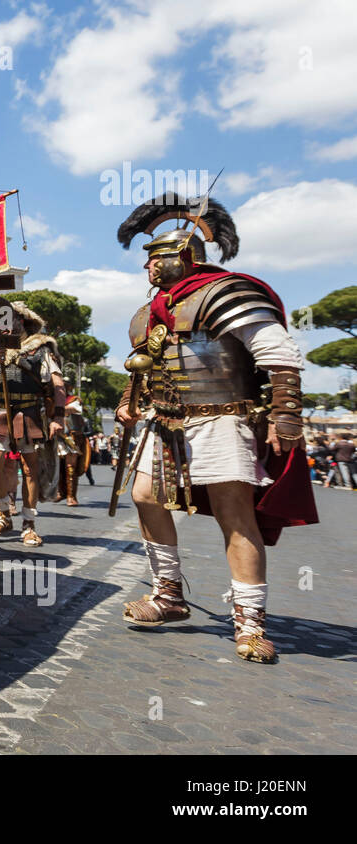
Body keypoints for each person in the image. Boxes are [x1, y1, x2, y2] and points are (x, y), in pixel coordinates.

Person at [114, 193, 317, 663]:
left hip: (222, 417)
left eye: (156, 258)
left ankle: (249, 623)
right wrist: (130, 401)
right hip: (163, 422)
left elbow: (279, 353)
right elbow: (142, 368)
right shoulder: (149, 313)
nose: (148, 268)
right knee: (144, 496)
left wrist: (285, 412)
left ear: (185, 255)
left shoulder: (226, 293)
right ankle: (168, 595)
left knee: (234, 514)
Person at [0, 301, 67, 547]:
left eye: (10, 319)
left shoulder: (39, 349)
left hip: (30, 414)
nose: (5, 325)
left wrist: (58, 417)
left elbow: (57, 384)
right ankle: (4, 512)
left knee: (29, 469)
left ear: (20, 321)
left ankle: (29, 524)